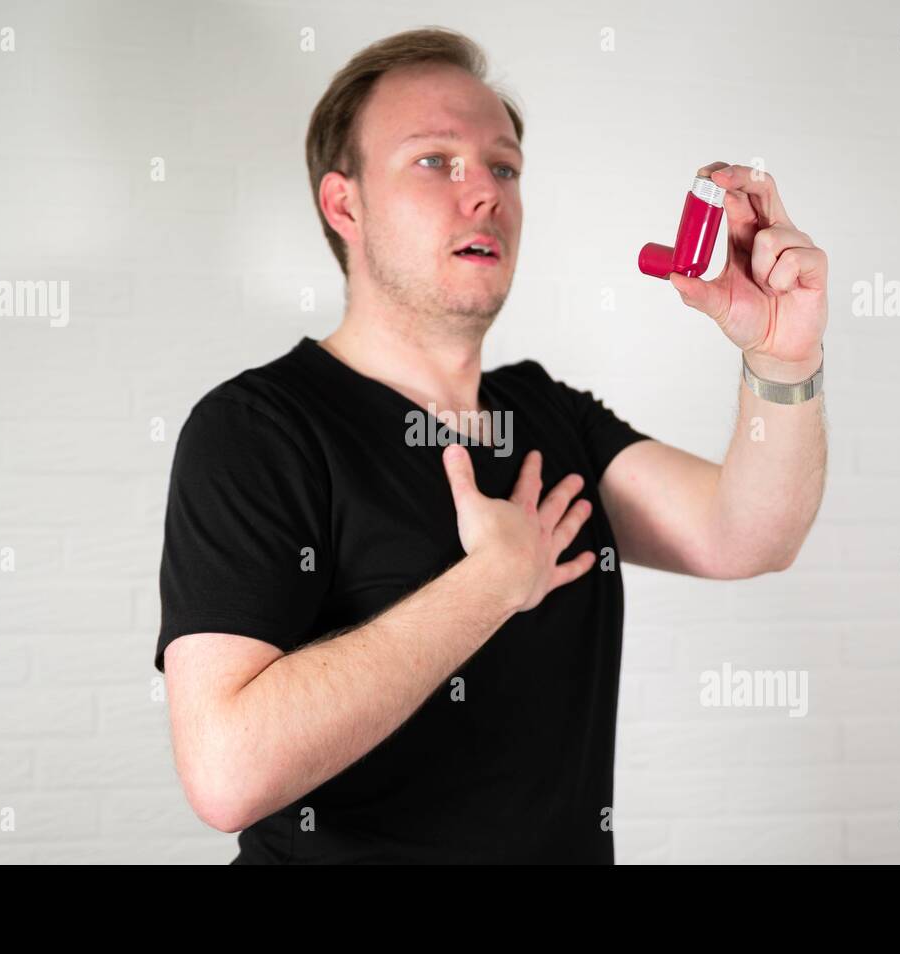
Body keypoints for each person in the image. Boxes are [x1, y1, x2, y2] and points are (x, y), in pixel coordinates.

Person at [154, 27, 828, 864]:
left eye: (503, 167)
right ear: (345, 204)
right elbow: (226, 774)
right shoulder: (259, 430)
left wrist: (782, 355)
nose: (484, 195)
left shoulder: (550, 415)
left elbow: (750, 534)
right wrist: (493, 583)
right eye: (435, 161)